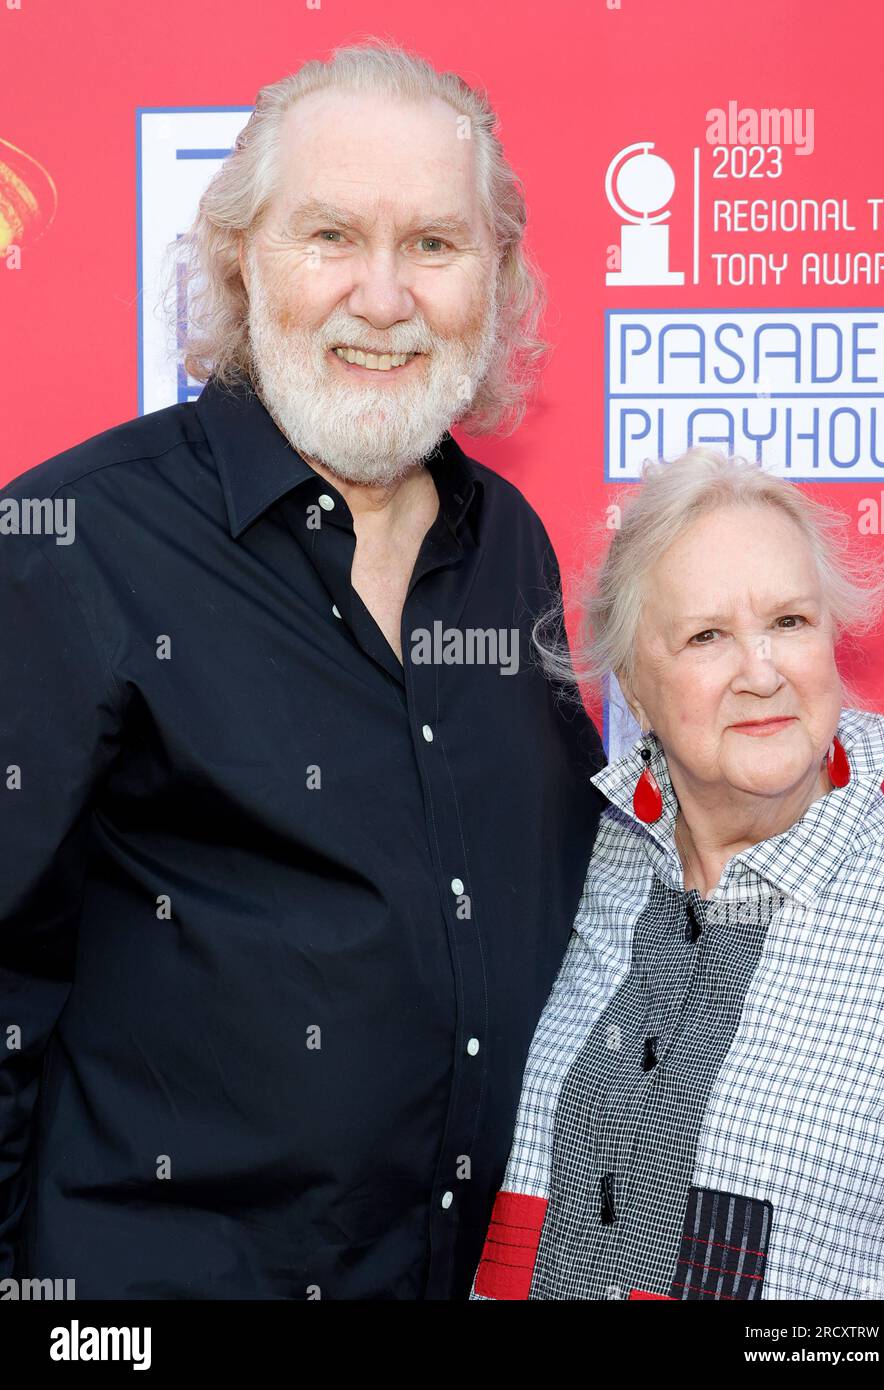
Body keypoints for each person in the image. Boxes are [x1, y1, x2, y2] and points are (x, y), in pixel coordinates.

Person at [0, 40, 605, 1299]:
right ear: (240, 259)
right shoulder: (73, 545)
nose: (381, 298)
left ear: (493, 281)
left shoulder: (509, 552)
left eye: (434, 247)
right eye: (329, 234)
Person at [471, 447, 884, 1301]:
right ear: (635, 693)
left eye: (789, 622)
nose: (760, 673)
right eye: (706, 636)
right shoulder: (574, 871)